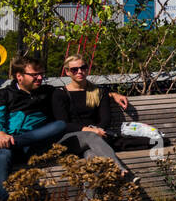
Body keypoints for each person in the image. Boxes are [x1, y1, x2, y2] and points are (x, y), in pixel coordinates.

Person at [0, 55, 69, 201]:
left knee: (60, 126)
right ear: (19, 76)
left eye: (42, 74)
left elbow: (76, 92)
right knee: (3, 154)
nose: (40, 78)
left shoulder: (48, 93)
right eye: (34, 75)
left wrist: (110, 93)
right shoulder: (3, 95)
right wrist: (0, 134)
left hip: (27, 148)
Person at [52, 54, 138, 185]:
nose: (80, 71)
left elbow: (105, 119)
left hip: (96, 139)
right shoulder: (60, 94)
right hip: (70, 139)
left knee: (92, 157)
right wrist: (88, 130)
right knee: (90, 136)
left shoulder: (99, 92)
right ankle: (121, 170)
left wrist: (95, 129)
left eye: (83, 67)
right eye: (75, 69)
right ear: (67, 72)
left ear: (87, 69)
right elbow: (63, 124)